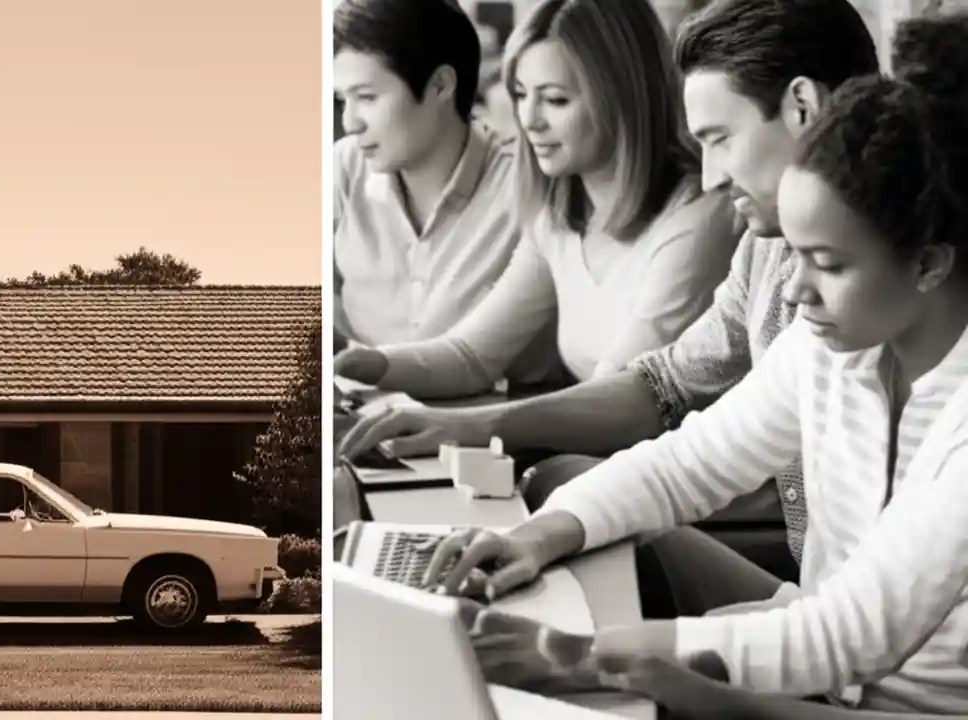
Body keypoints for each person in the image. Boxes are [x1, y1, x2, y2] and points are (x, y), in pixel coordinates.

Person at [430, 14, 968, 715]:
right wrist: (533, 538)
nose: (796, 290)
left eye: (828, 263)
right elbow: (694, 459)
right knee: (577, 533)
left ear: (928, 264)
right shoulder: (833, 341)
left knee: (644, 686)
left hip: (891, 699)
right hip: (824, 660)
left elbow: (847, 634)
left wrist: (582, 656)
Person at [338, 0, 882, 560]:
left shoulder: (727, 229)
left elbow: (863, 603)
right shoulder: (761, 249)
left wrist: (486, 438)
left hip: (766, 550)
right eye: (521, 95)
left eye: (720, 139)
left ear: (802, 108)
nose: (712, 178)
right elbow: (671, 402)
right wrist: (465, 431)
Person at [335, 0, 738, 400]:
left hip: (641, 437)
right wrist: (365, 363)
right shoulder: (558, 216)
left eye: (556, 99)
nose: (529, 120)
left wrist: (472, 427)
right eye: (521, 94)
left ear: (624, 96)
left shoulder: (700, 216)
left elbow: (620, 395)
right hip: (589, 435)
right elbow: (472, 355)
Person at [333, 0, 522, 353]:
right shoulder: (343, 168)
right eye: (343, 100)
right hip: (356, 387)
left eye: (367, 97)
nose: (350, 123)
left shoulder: (524, 183)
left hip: (494, 390)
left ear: (440, 85)